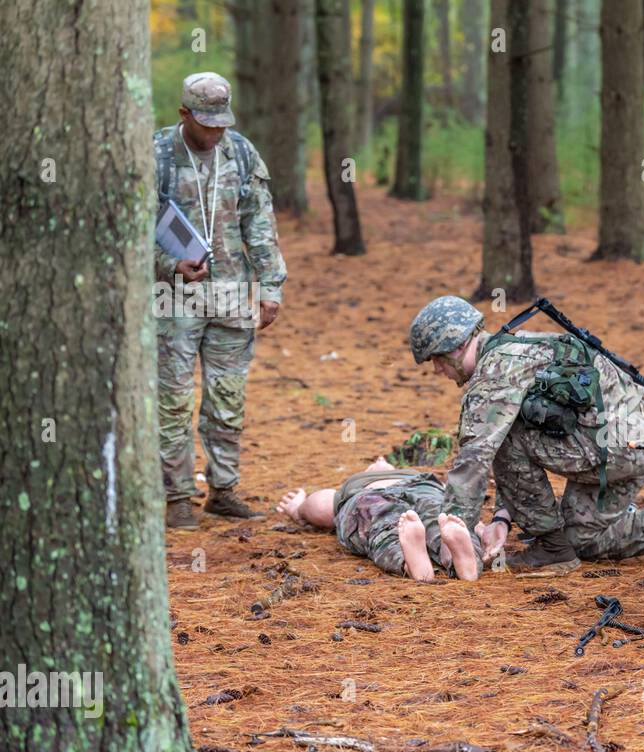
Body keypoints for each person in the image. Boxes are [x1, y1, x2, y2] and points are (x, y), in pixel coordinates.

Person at [408, 296, 644, 576]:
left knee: (500, 436)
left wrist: (452, 533)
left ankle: (550, 547)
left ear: (460, 344)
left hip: (612, 450)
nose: (437, 370)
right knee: (579, 542)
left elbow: (474, 460)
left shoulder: (493, 374)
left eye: (438, 358)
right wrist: (502, 517)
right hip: (642, 447)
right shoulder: (521, 344)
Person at [154, 72, 288, 528]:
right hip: (173, 298)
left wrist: (271, 286)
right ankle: (176, 498)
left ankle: (223, 490)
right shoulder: (157, 155)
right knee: (172, 399)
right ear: (184, 114)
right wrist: (169, 265)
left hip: (231, 295)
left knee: (227, 397)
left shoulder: (242, 152)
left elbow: (260, 224)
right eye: (206, 123)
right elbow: (131, 231)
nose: (215, 132)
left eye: (221, 123)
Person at [276, 457, 499, 582]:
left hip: (371, 496)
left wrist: (298, 509)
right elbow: (456, 505)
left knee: (384, 524)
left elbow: (320, 505)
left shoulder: (353, 486)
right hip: (422, 489)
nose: (379, 460)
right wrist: (478, 527)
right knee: (439, 516)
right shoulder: (418, 477)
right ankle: (458, 558)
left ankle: (411, 564)